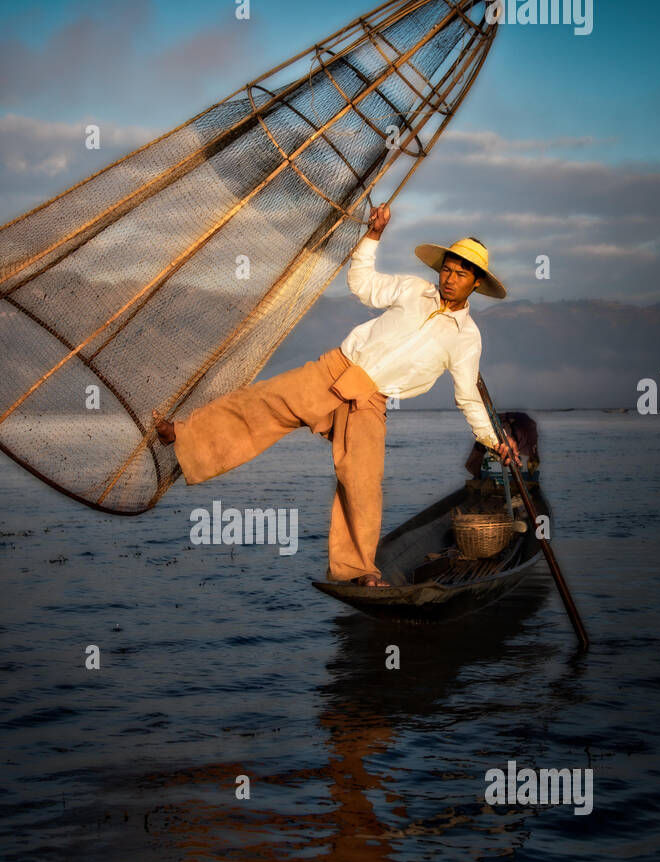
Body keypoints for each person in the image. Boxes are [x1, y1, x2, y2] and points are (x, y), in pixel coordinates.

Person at [153, 204, 518, 587]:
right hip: (336, 369)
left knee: (362, 482)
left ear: (475, 283)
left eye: (461, 274)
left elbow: (468, 397)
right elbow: (362, 284)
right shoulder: (414, 290)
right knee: (263, 402)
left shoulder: (466, 338)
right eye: (447, 268)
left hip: (371, 400)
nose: (450, 278)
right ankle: (184, 434)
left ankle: (358, 570)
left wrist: (494, 441)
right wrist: (373, 235)